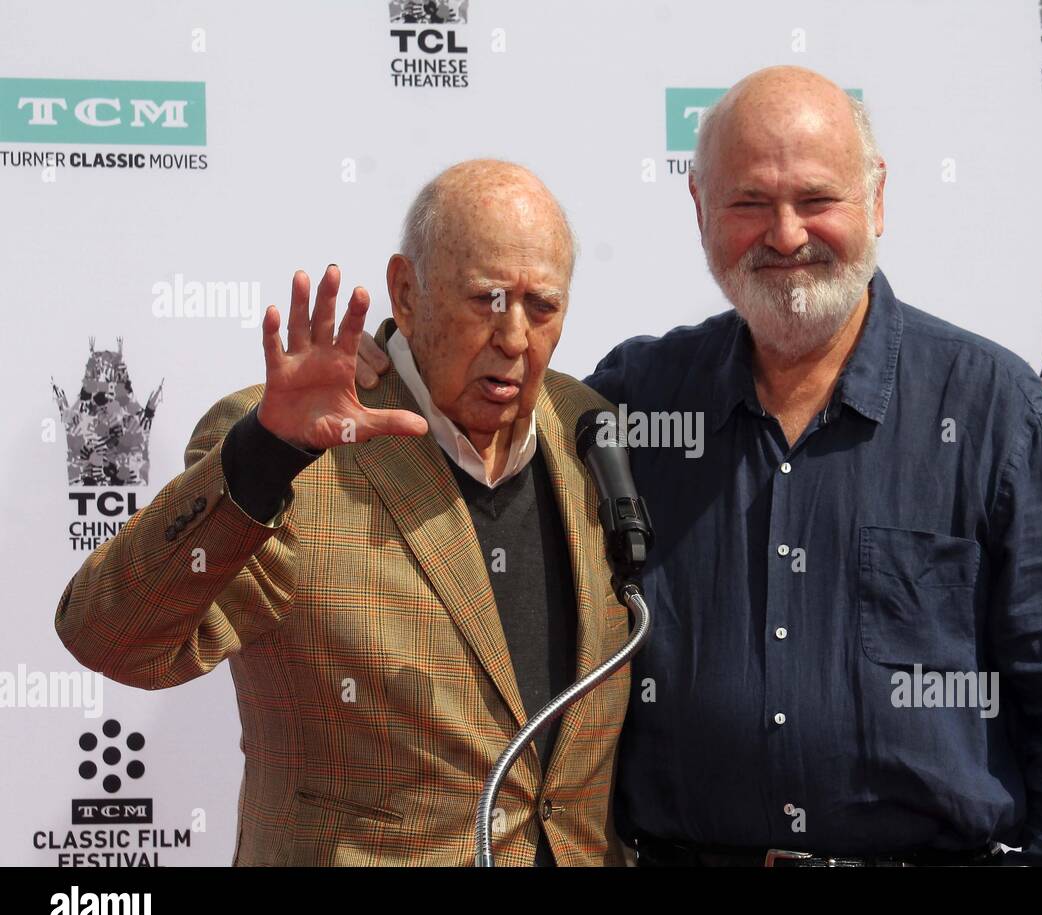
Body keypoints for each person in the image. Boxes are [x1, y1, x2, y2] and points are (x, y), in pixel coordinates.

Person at [356, 66, 1042, 866]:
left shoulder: (992, 413)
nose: (784, 234)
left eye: (816, 199)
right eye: (748, 203)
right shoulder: (628, 405)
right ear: (701, 211)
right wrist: (389, 368)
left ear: (875, 200)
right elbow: (476, 443)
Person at [54, 160, 632, 866]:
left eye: (542, 306)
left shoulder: (587, 428)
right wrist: (266, 454)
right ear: (406, 293)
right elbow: (111, 635)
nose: (514, 337)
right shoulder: (293, 447)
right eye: (485, 300)